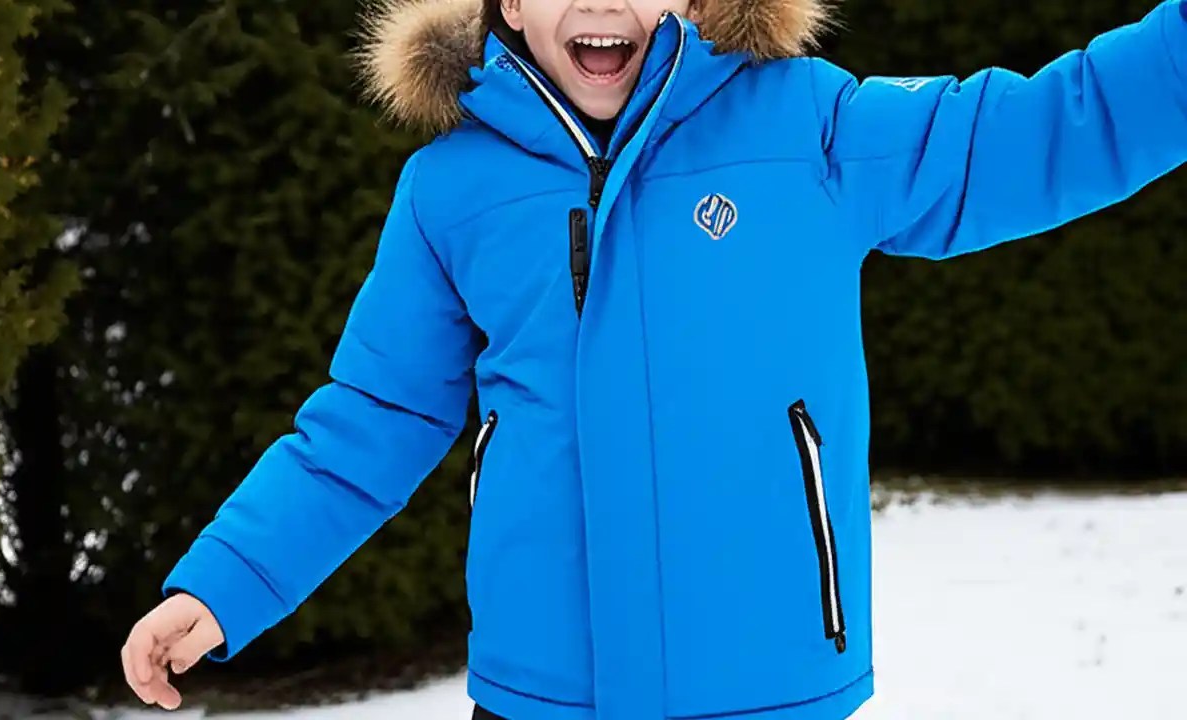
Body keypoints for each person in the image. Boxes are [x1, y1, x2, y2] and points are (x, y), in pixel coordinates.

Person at [120, 0, 1187, 717]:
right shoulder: (452, 190)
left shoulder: (806, 127)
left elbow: (1052, 126)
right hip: (544, 692)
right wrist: (227, 582)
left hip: (764, 683)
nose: (597, 6)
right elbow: (367, 423)